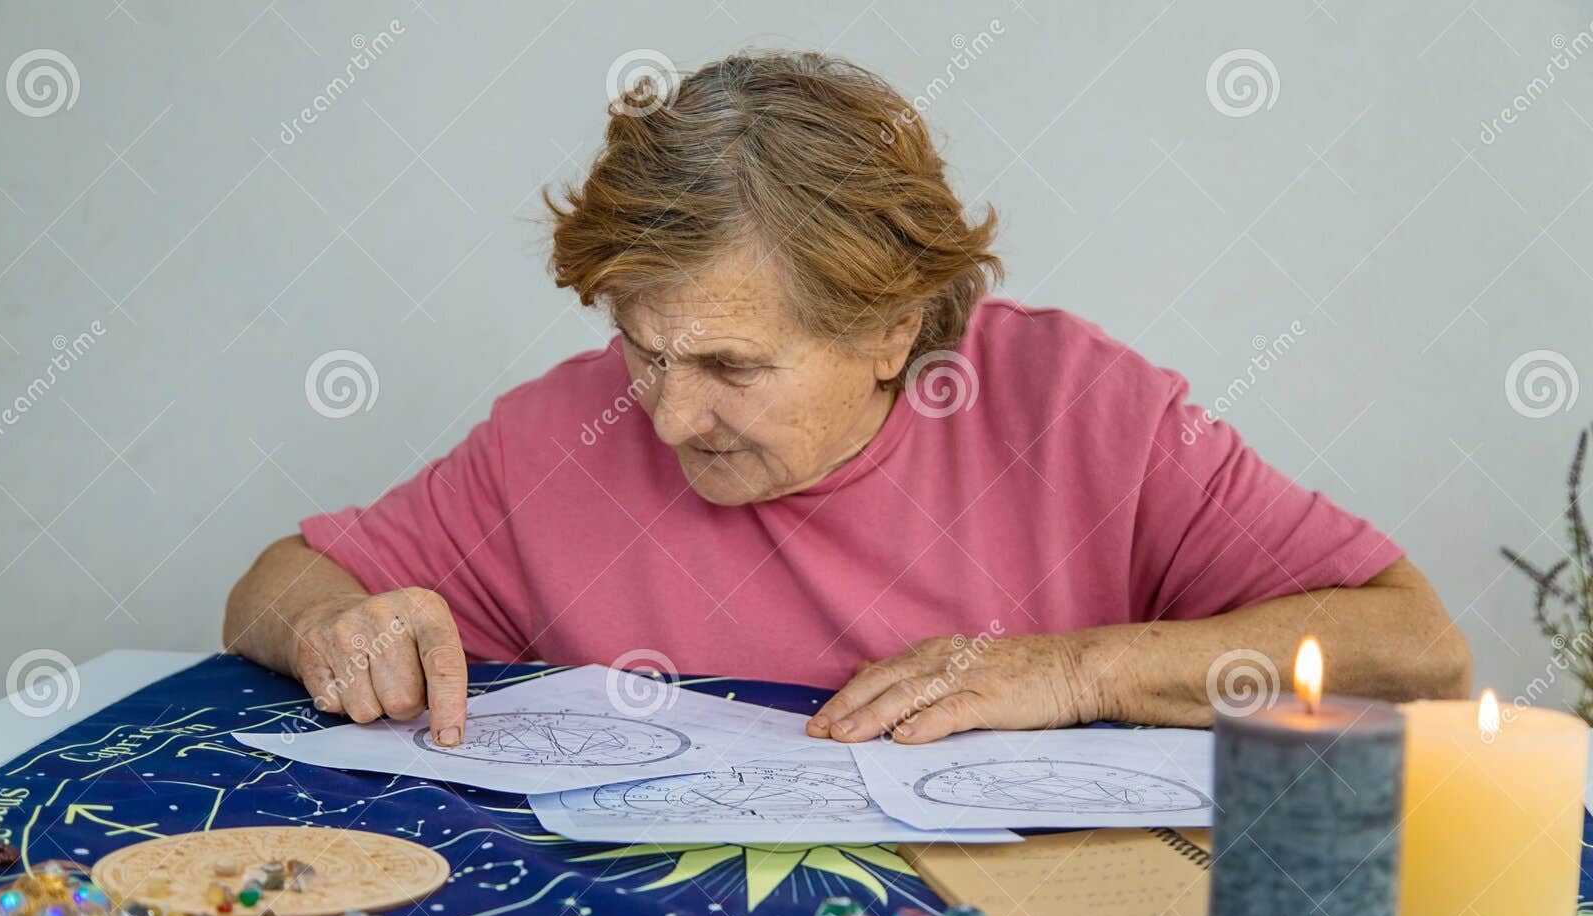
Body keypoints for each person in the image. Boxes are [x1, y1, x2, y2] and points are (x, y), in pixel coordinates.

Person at [223, 51, 1470, 749]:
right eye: (643, 350)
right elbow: (275, 584)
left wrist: (1078, 670)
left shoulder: (1082, 408)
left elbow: (1416, 646)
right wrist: (333, 623)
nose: (665, 417)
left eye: (730, 368)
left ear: (889, 326)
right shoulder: (559, 431)